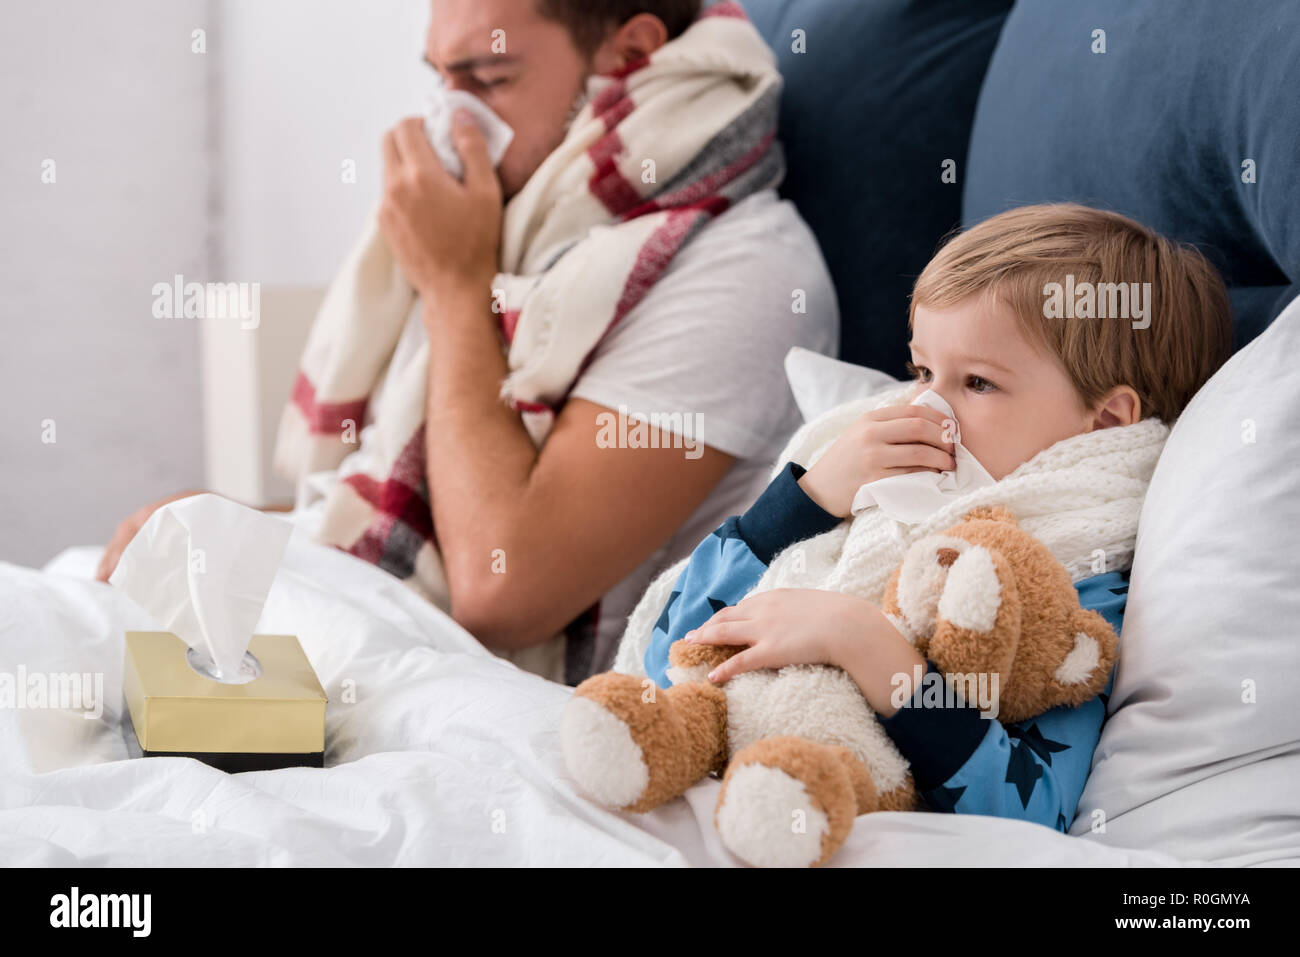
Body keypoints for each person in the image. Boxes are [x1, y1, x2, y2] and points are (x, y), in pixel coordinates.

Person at [95, 0, 837, 686]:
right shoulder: (530, 222)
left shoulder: (746, 269)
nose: (451, 119)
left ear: (631, 50)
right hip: (376, 621)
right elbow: (417, 509)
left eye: (488, 77)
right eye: (439, 78)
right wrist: (242, 530)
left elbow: (503, 587)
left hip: (512, 695)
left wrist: (455, 286)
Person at [636, 202, 1233, 828]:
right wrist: (810, 498)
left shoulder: (1077, 582)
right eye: (922, 370)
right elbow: (671, 661)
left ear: (1106, 421)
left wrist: (867, 645)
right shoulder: (876, 501)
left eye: (976, 383)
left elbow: (1030, 811)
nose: (925, 406)